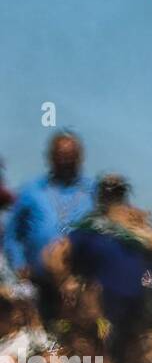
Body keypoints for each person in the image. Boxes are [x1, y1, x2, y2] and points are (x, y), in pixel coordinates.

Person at [44, 174, 152, 363]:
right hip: (105, 315)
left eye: (118, 192)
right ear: (100, 196)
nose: (113, 197)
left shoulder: (138, 226)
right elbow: (54, 255)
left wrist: (139, 229)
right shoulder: (89, 226)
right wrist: (65, 281)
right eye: (109, 192)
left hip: (145, 312)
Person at [2, 132, 94, 319]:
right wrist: (19, 263)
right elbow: (11, 234)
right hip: (40, 282)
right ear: (50, 158)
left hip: (83, 282)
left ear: (80, 157)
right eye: (61, 156)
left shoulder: (93, 190)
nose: (66, 161)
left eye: (71, 156)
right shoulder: (31, 190)